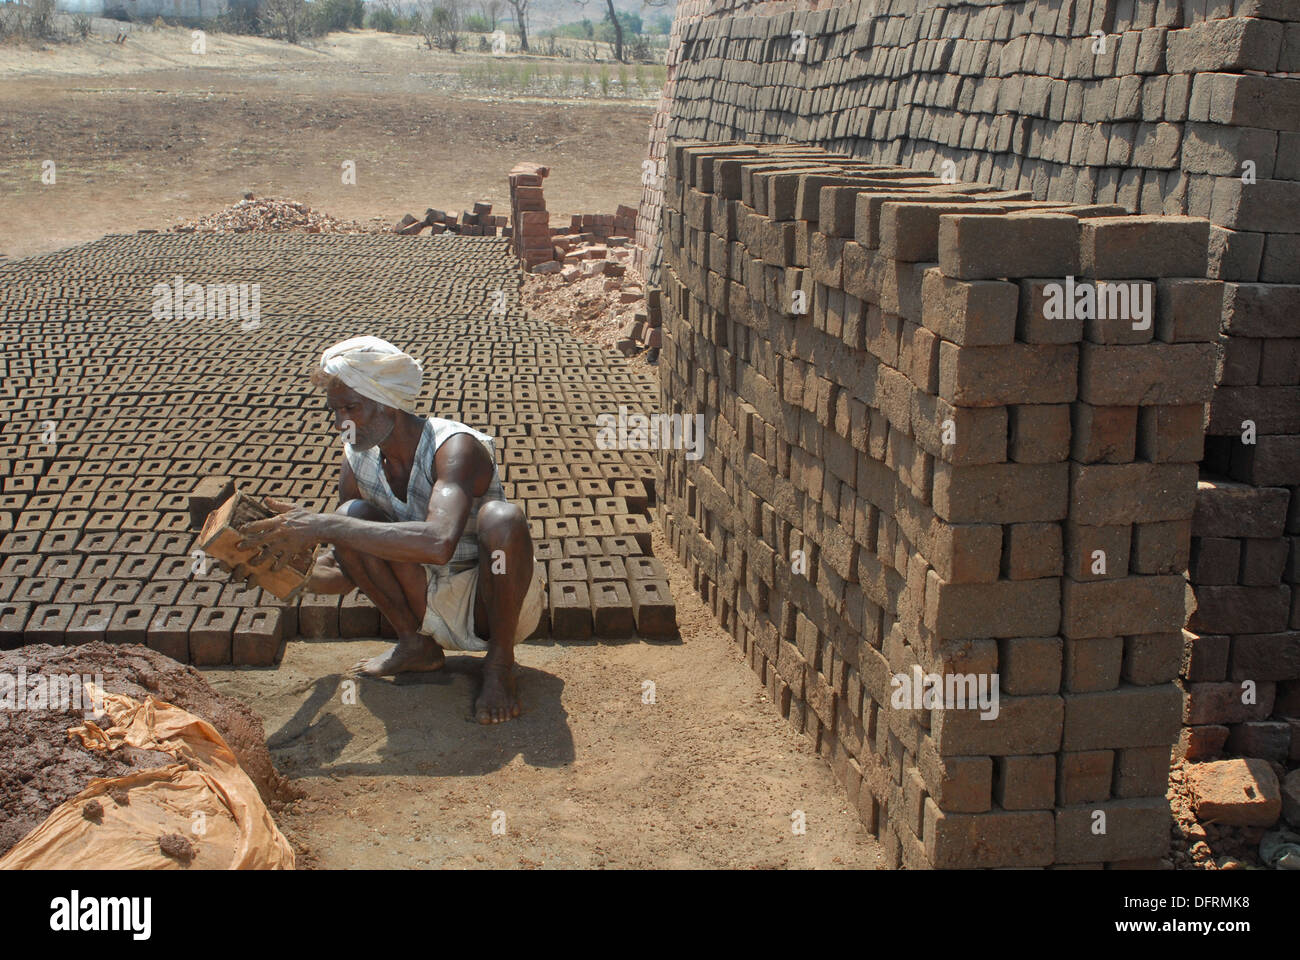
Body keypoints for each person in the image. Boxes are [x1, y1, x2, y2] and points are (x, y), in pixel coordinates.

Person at [233, 336, 545, 724]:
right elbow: (345, 567)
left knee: (503, 519)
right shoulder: (358, 457)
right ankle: (416, 646)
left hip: (492, 599)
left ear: (388, 402)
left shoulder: (455, 447)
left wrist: (322, 524)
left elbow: (439, 543)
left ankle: (499, 666)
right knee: (354, 513)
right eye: (335, 410)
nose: (340, 423)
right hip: (425, 599)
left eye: (351, 408)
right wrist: (276, 569)